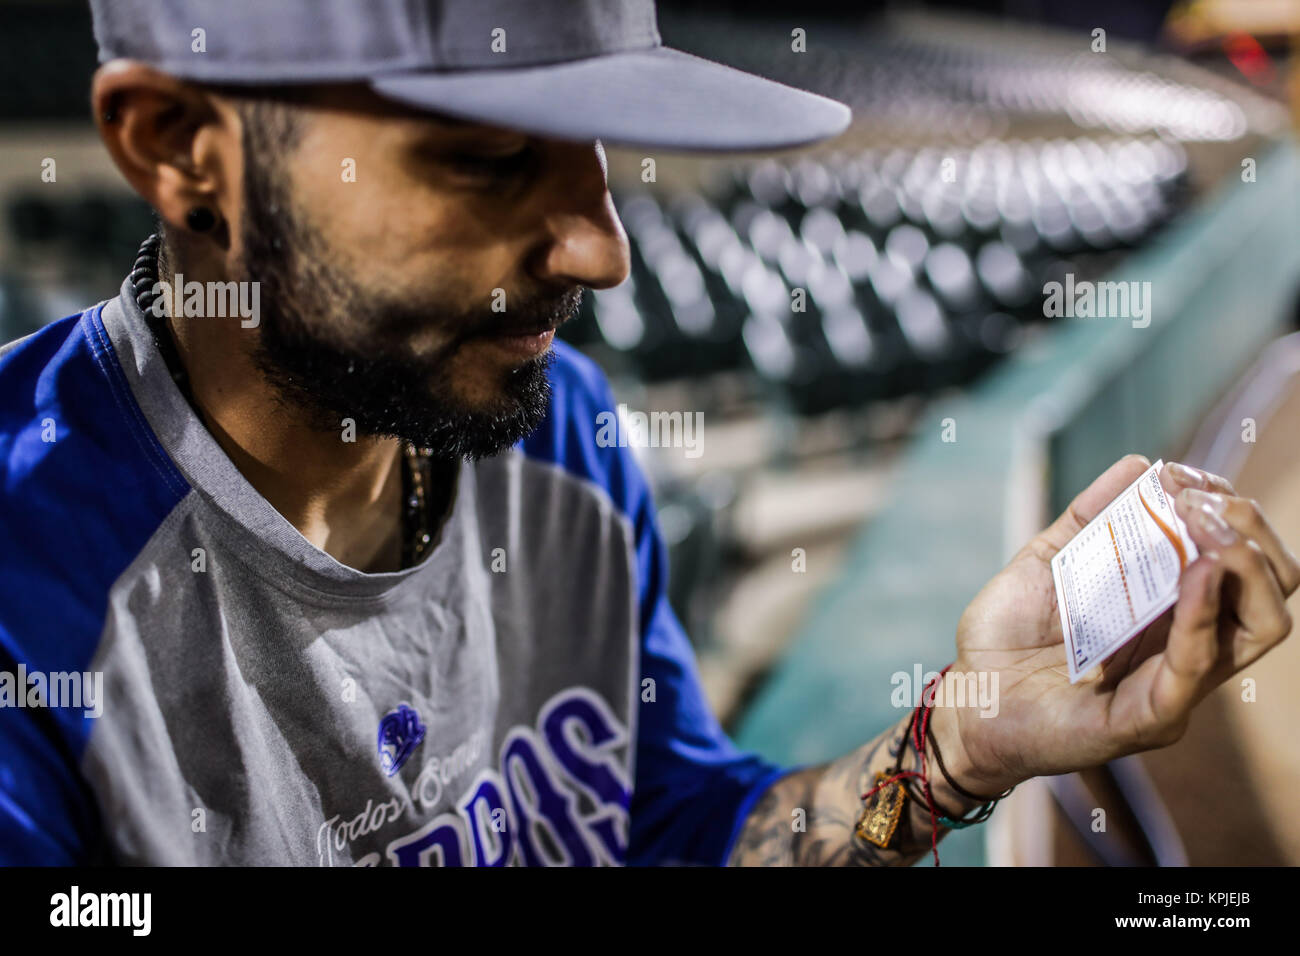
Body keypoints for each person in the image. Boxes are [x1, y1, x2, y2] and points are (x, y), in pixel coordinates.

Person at [0, 0, 1294, 867]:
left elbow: (686, 831)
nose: (601, 249)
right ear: (180, 147)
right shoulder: (27, 591)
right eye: (493, 158)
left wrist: (956, 743)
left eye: (604, 154)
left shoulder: (558, 424)